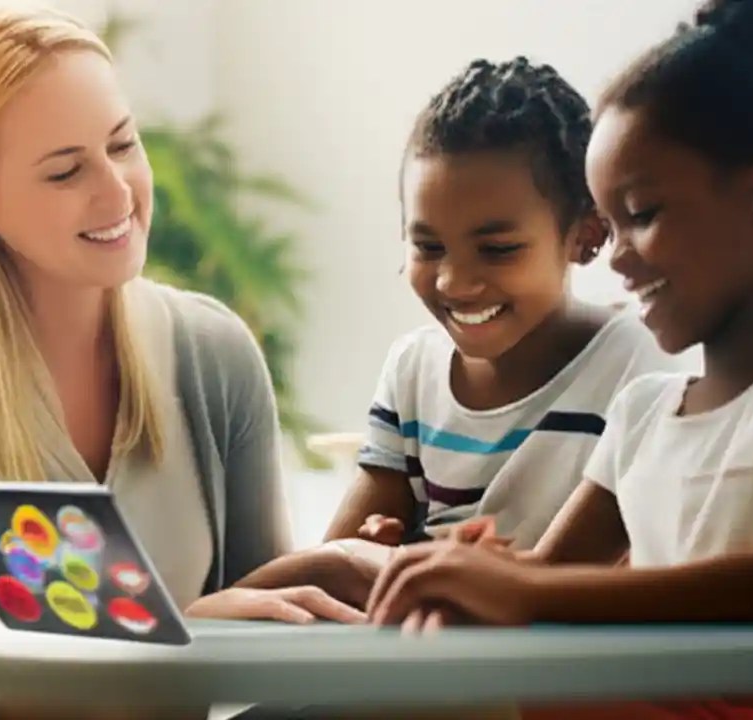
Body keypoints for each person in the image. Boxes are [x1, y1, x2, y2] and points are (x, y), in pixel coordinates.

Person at [0, 3, 360, 719]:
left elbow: (263, 641)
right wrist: (170, 648)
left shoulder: (214, 355)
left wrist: (350, 570)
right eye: (65, 171)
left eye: (123, 144)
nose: (117, 191)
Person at [369, 0, 753, 717]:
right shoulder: (642, 412)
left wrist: (523, 589)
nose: (617, 258)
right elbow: (546, 579)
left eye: (642, 215)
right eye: (610, 224)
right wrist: (470, 574)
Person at [235, 57, 679, 609]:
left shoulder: (637, 365)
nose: (453, 281)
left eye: (497, 250)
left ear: (585, 237)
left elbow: (613, 571)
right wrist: (383, 544)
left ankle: (189, 622)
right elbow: (342, 560)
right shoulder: (413, 370)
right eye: (428, 246)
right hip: (428, 639)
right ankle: (194, 621)